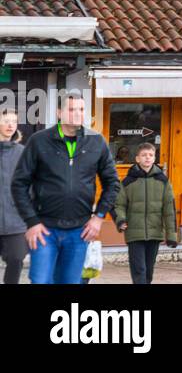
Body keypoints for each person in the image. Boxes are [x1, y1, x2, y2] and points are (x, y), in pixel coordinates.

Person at [10, 93, 120, 285]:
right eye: (71, 109)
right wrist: (32, 221)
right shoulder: (39, 141)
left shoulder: (96, 142)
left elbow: (112, 183)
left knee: (70, 282)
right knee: (41, 281)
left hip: (79, 231)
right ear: (59, 112)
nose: (77, 114)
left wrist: (99, 217)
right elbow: (19, 183)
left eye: (81, 109)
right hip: (44, 230)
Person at [112, 142, 178, 284]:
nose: (147, 158)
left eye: (150, 155)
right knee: (139, 269)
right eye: (144, 155)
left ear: (154, 158)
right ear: (137, 159)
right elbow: (119, 204)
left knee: (148, 269)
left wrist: (171, 235)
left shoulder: (163, 181)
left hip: (155, 232)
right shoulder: (128, 181)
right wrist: (121, 220)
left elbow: (169, 209)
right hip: (134, 233)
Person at [1, 108, 28, 285]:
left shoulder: (22, 152)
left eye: (14, 121)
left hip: (16, 222)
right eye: (6, 120)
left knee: (17, 259)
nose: (10, 125)